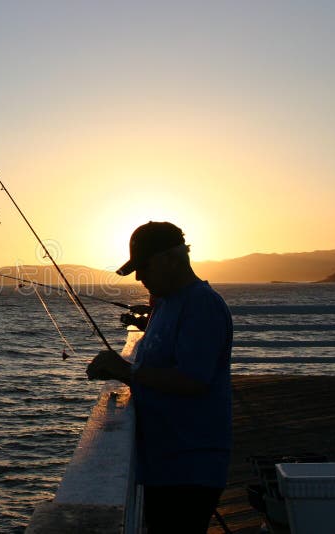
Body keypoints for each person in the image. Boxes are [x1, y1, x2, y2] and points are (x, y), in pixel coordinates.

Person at [87, 221, 232, 534]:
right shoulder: (166, 303)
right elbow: (159, 368)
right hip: (163, 463)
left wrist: (125, 371)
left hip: (190, 467)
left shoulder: (202, 304)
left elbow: (193, 380)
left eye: (145, 267)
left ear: (172, 259)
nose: (139, 277)